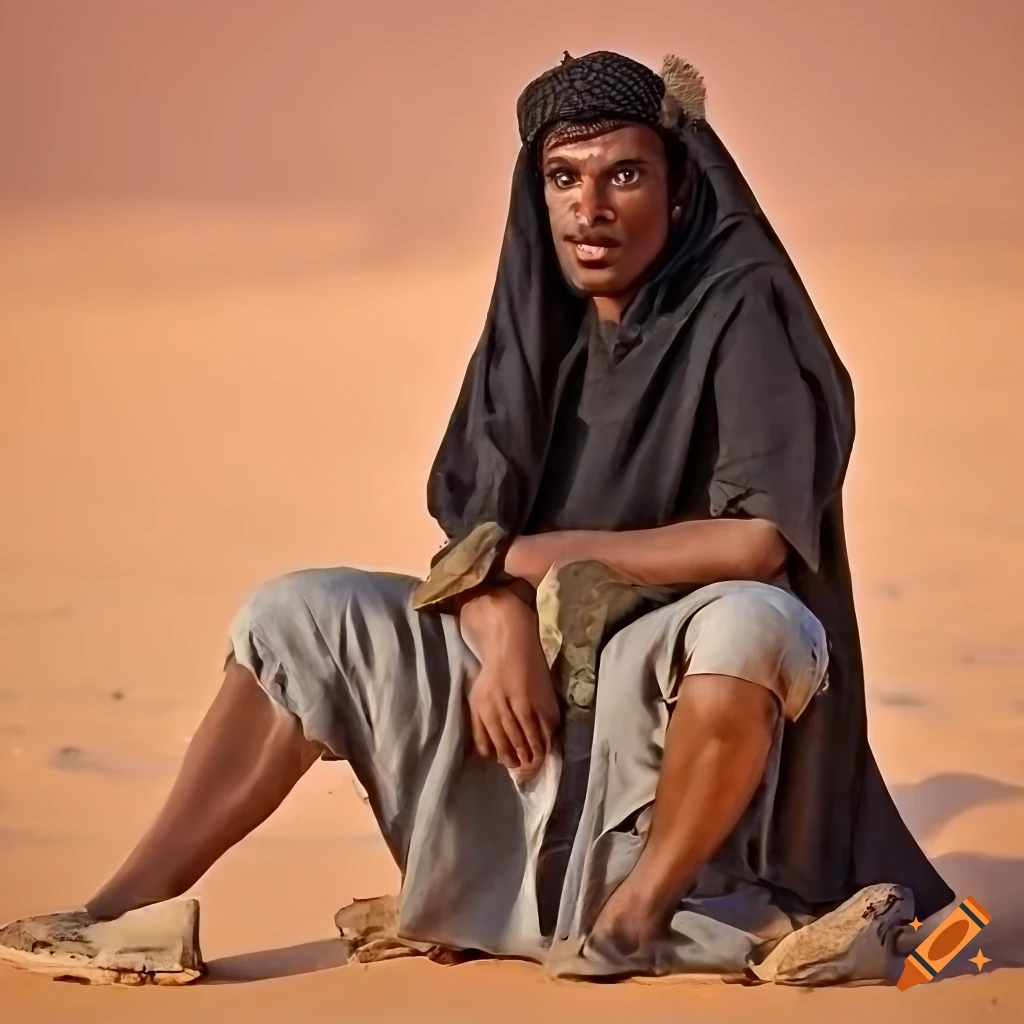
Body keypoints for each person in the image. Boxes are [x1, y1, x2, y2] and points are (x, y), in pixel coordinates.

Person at [0, 50, 953, 985]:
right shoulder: (536, 320)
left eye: (625, 173)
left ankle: (634, 920)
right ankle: (120, 915)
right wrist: (499, 621)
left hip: (673, 676)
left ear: (678, 183)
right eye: (563, 177)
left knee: (758, 622)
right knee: (295, 613)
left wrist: (543, 557)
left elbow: (756, 540)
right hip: (530, 683)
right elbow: (472, 536)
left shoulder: (740, 307)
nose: (592, 206)